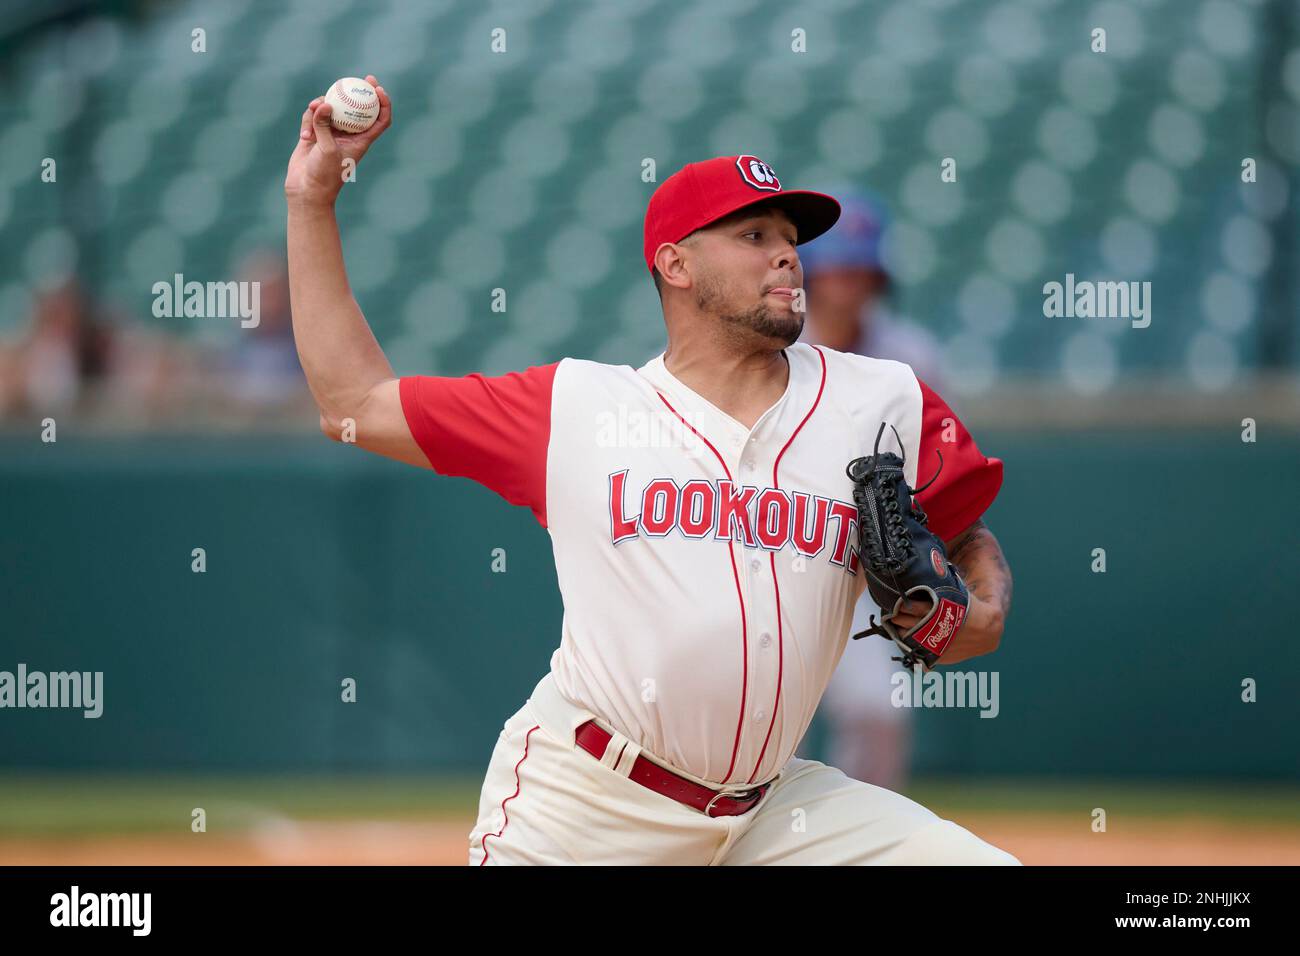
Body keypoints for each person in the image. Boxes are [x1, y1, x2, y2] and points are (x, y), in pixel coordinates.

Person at [284, 77, 1018, 865]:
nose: (786, 253)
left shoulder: (883, 394)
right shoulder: (577, 407)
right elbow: (352, 400)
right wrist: (313, 203)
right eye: (753, 234)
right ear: (675, 263)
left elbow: (968, 530)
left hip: (774, 814)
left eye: (789, 237)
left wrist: (979, 611)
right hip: (587, 809)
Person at [799, 191, 946, 792]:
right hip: (774, 552)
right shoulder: (765, 341)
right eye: (837, 266)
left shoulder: (911, 355)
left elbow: (940, 462)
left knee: (879, 712)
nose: (849, 281)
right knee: (765, 723)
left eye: (860, 267)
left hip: (867, 565)